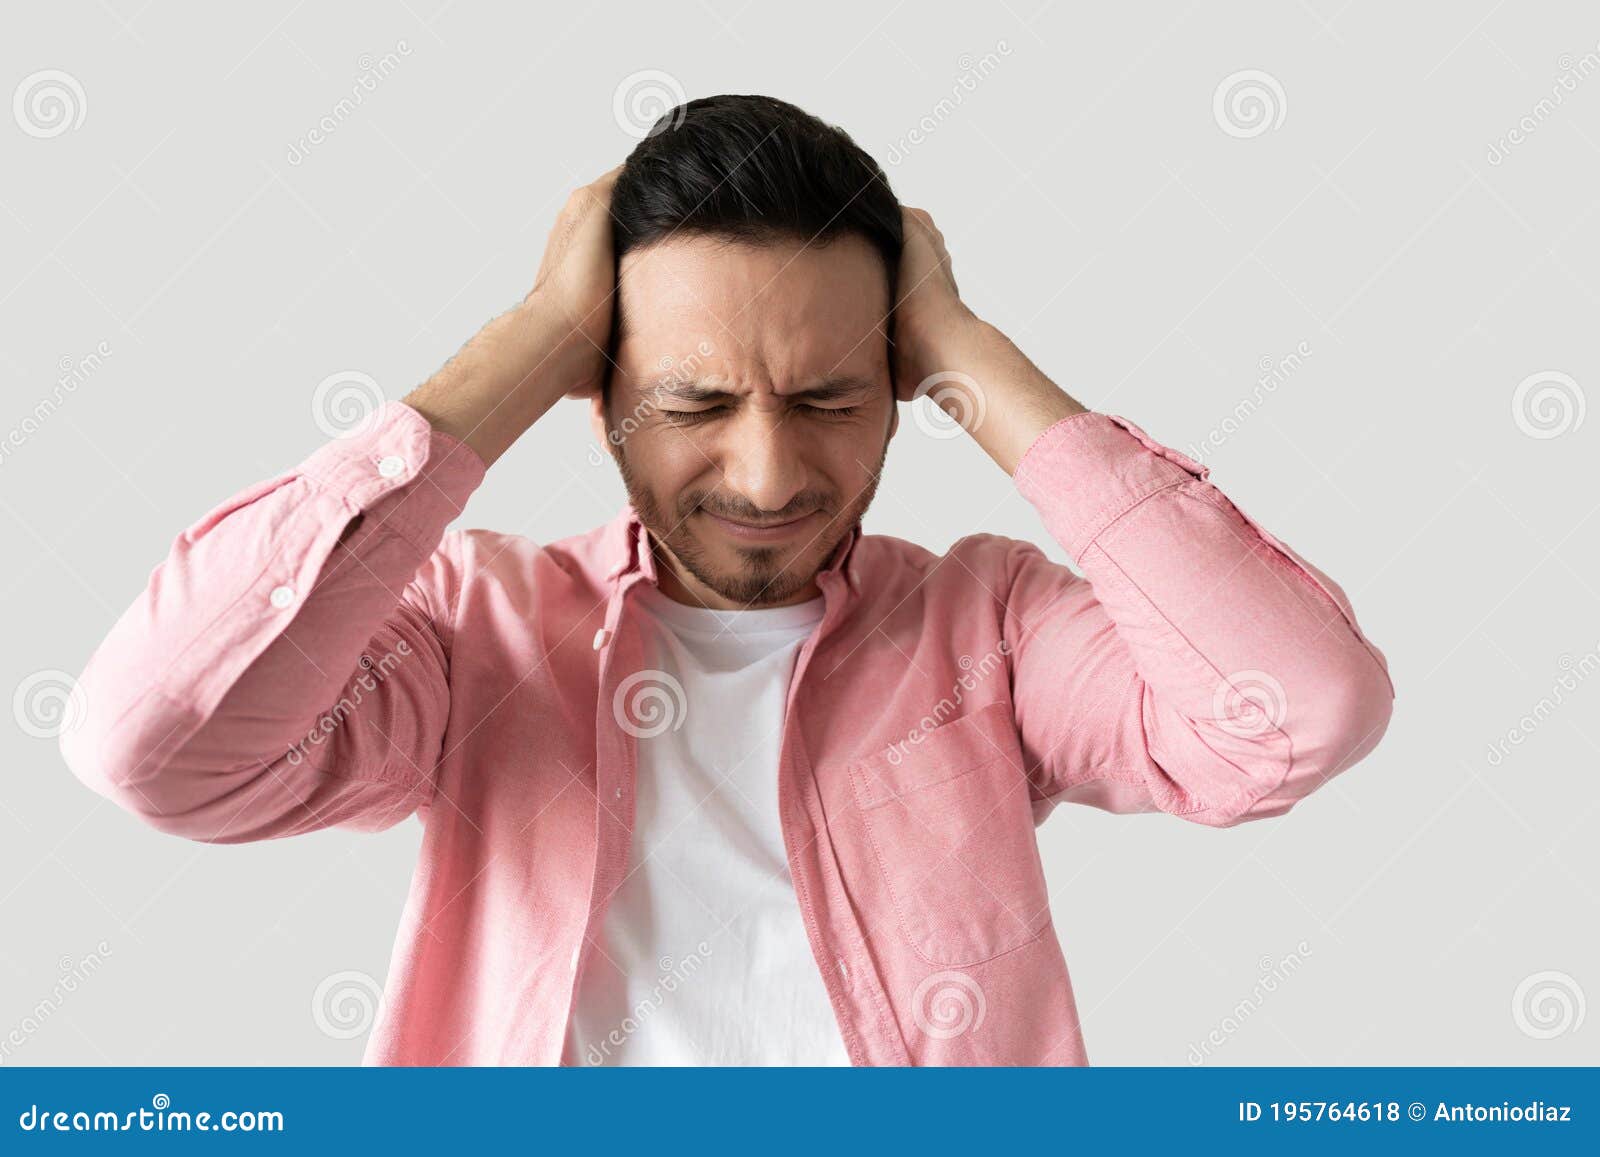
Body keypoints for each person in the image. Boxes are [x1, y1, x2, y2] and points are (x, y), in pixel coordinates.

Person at [60, 94, 1394, 1066]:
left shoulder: (988, 627)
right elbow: (156, 747)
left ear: (899, 392)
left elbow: (1298, 711)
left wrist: (965, 351)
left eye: (829, 399)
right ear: (598, 399)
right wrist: (531, 340)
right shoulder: (474, 634)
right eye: (694, 404)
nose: (767, 476)